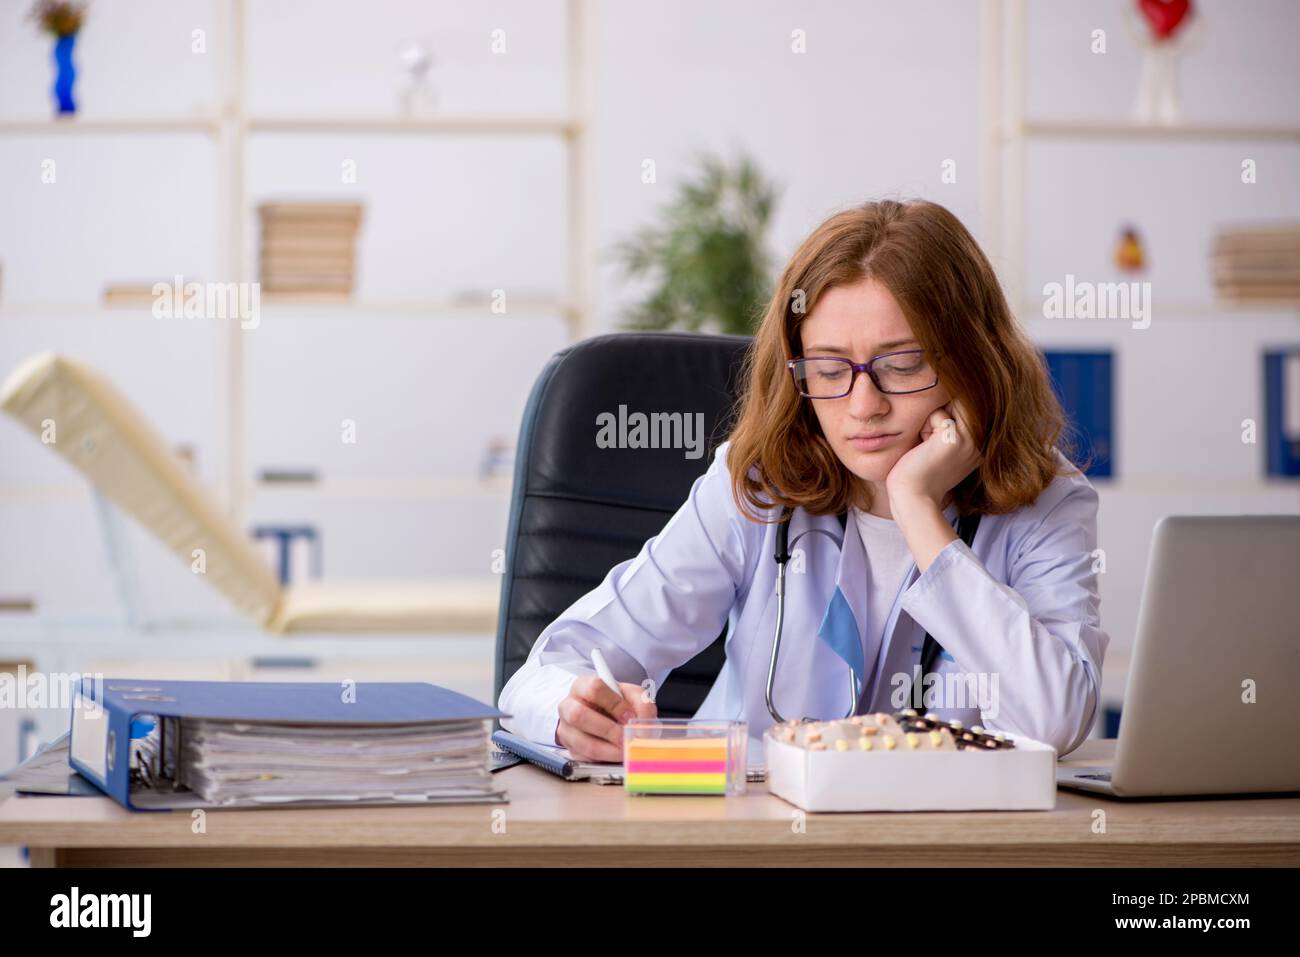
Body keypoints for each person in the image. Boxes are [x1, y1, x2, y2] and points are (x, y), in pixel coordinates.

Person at [498, 198, 1108, 761]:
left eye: (901, 364)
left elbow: (1053, 720)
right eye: (827, 367)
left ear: (975, 361)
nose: (864, 404)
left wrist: (917, 508)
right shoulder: (757, 488)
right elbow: (544, 672)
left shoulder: (1047, 502)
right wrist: (567, 711)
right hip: (754, 839)